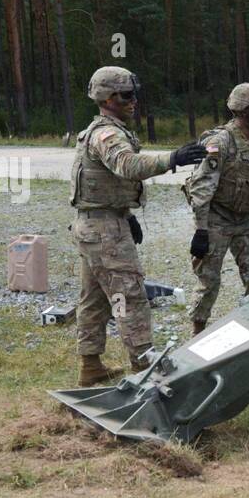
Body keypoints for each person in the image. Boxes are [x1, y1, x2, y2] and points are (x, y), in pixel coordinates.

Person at [71, 66, 204, 386]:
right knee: (130, 297)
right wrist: (174, 158)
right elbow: (128, 166)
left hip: (96, 224)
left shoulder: (102, 130)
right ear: (108, 98)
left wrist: (127, 216)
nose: (134, 101)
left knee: (95, 298)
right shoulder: (107, 134)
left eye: (134, 94)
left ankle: (90, 366)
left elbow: (104, 183)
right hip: (104, 232)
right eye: (127, 95)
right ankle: (145, 370)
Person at [183, 82, 249, 335]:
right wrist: (201, 231)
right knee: (209, 280)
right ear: (244, 111)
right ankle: (197, 332)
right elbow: (202, 188)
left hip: (243, 221)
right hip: (215, 218)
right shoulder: (221, 142)